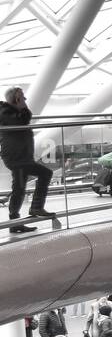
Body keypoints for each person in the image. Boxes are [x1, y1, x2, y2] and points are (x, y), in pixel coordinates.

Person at [1, 87, 54, 233]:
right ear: (15, 99)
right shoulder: (5, 112)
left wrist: (21, 107)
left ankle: (15, 223)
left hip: (20, 156)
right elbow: (21, 123)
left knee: (19, 188)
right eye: (22, 97)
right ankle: (36, 207)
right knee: (46, 173)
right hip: (16, 157)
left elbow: (25, 118)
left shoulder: (12, 111)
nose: (25, 100)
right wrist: (22, 107)